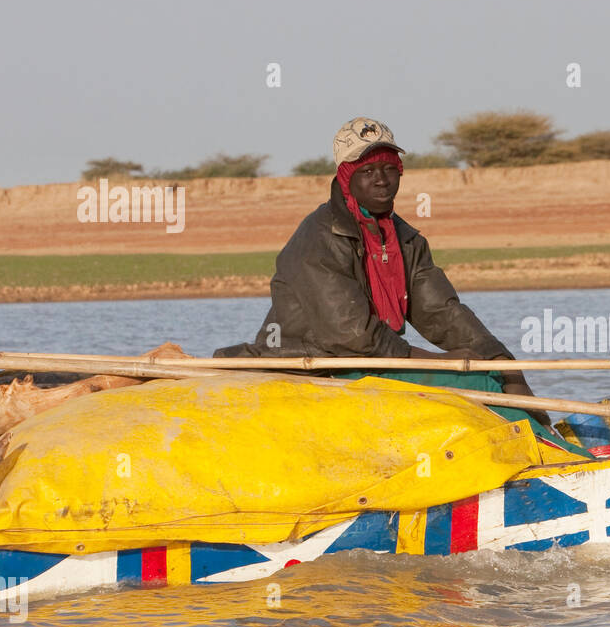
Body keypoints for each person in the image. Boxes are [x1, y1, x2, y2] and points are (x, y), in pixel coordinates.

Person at [215, 116, 548, 422]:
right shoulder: (319, 237)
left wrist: (503, 364)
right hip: (314, 366)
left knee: (491, 376)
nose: (381, 181)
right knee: (476, 384)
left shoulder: (403, 239)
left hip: (367, 362)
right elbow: (351, 334)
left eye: (389, 169)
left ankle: (548, 445)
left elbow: (442, 313)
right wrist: (437, 362)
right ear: (346, 177)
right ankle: (545, 456)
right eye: (367, 171)